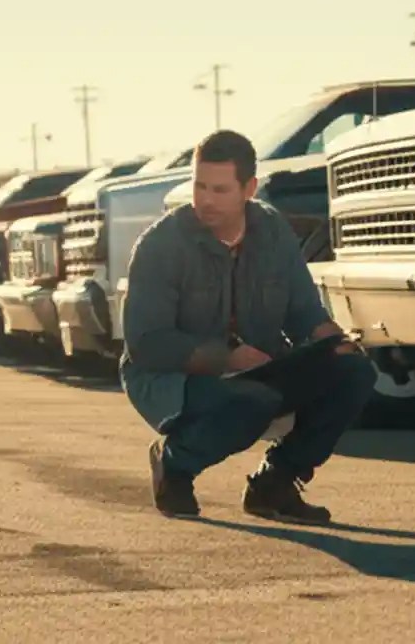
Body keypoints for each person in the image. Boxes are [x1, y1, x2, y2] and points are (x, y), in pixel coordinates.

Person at [119, 129, 377, 525]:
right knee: (252, 401)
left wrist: (332, 340)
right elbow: (145, 344)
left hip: (260, 367)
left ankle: (275, 483)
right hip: (175, 379)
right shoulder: (160, 246)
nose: (206, 199)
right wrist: (226, 358)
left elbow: (304, 311)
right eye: (199, 185)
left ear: (249, 189)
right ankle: (173, 464)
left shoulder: (273, 232)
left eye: (220, 190)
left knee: (354, 372)